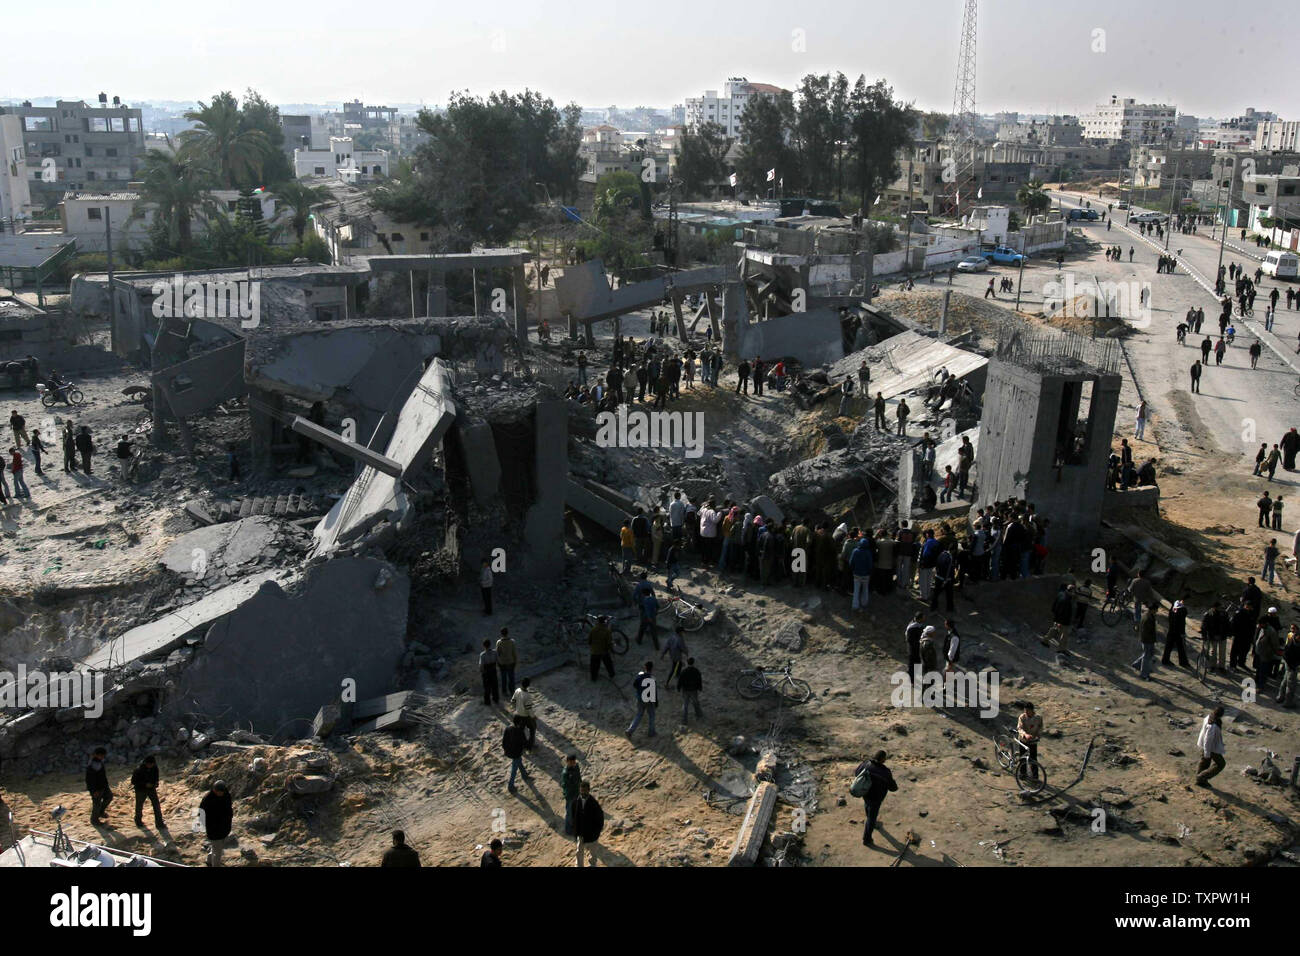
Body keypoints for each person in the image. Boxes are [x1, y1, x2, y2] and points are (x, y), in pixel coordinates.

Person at [853, 750, 898, 846]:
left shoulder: (865, 764)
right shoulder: (885, 771)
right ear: (882, 759)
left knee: (867, 805)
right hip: (876, 797)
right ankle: (867, 839)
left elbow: (856, 772)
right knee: (872, 818)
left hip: (865, 792)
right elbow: (893, 788)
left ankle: (869, 818)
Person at [199, 780, 234, 866]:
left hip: (224, 828)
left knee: (216, 848)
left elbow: (229, 809)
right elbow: (201, 815)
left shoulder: (226, 795)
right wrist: (207, 827)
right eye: (218, 792)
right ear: (214, 790)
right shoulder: (207, 799)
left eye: (221, 792)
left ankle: (209, 860)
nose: (220, 793)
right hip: (213, 830)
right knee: (217, 852)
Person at [572, 781, 605, 867]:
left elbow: (600, 818)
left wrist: (597, 831)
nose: (583, 793)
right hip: (580, 832)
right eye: (581, 791)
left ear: (588, 790)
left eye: (585, 791)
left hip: (592, 833)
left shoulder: (594, 803)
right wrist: (575, 829)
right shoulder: (576, 801)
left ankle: (592, 865)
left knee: (593, 852)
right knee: (579, 851)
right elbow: (573, 816)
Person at [1194, 707, 1226, 787]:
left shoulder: (1209, 717)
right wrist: (1207, 753)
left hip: (1206, 746)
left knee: (1204, 763)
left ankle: (1200, 781)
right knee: (1221, 764)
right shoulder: (1213, 726)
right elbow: (1208, 740)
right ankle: (1201, 777)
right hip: (1211, 748)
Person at [130, 754, 164, 829]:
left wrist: (155, 783)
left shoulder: (154, 768)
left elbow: (156, 778)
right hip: (140, 790)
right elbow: (133, 781)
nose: (150, 766)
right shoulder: (138, 769)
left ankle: (159, 823)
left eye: (151, 764)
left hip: (151, 789)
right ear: (145, 763)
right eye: (149, 764)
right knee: (139, 806)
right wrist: (145, 784)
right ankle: (138, 820)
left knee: (156, 805)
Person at [627, 661, 657, 738]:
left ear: (645, 667)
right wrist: (656, 701)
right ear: (652, 668)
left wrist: (639, 691)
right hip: (649, 700)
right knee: (652, 715)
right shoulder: (652, 678)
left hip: (640, 698)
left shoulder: (640, 676)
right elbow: (654, 692)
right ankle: (651, 732)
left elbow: (634, 685)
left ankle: (630, 730)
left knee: (639, 715)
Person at [1042, 582, 1074, 655]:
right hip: (1063, 620)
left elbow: (1055, 604)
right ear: (1071, 591)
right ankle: (1061, 649)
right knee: (1064, 635)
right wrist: (1062, 621)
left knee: (1054, 629)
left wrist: (1056, 617)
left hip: (1057, 617)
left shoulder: (1061, 594)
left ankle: (1045, 640)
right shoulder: (1067, 600)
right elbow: (1064, 612)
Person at [86, 747, 113, 825]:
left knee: (109, 797)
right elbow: (90, 780)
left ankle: (101, 812)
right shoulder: (92, 765)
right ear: (97, 755)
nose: (103, 757)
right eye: (102, 756)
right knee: (97, 804)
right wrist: (94, 790)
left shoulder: (99, 762)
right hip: (96, 788)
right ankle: (94, 820)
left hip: (103, 786)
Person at [1162, 593, 1190, 667]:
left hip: (1172, 630)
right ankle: (1183, 662)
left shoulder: (1174, 606)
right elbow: (1183, 615)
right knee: (1181, 648)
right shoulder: (1181, 608)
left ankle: (1165, 660)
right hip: (1178, 631)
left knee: (1169, 646)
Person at [502, 720, 529, 793]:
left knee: (518, 762)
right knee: (514, 769)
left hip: (509, 752)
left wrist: (506, 750)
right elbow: (525, 743)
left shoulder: (507, 729)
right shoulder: (520, 731)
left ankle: (525, 775)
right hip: (516, 753)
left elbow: (503, 742)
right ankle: (510, 786)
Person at [510, 678, 537, 750]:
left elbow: (512, 702)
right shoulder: (528, 695)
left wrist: (517, 709)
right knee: (532, 729)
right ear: (528, 685)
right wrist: (533, 716)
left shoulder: (517, 690)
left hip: (518, 714)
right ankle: (529, 745)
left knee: (520, 730)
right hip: (526, 716)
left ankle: (523, 743)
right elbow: (529, 708)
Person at [849, 533, 873, 612]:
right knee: (865, 589)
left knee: (856, 590)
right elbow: (870, 564)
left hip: (856, 574)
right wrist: (869, 572)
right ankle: (864, 603)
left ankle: (855, 605)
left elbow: (851, 562)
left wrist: (853, 569)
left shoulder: (855, 551)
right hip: (866, 574)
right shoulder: (868, 553)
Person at [1017, 703, 1043, 774]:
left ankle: (1035, 777)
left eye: (1028, 711)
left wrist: (1038, 735)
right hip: (1023, 741)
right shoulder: (1022, 717)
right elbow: (1019, 728)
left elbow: (1040, 728)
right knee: (1022, 759)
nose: (1026, 712)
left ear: (1032, 710)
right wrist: (1025, 734)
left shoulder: (1038, 718)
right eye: (1025, 710)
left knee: (1033, 759)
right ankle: (1022, 774)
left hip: (1033, 741)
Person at [588, 615, 615, 681]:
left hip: (595, 652)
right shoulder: (607, 631)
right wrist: (611, 648)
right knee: (608, 664)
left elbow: (589, 641)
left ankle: (593, 678)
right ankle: (612, 674)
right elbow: (609, 643)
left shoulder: (593, 630)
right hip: (604, 651)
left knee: (594, 666)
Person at [561, 755, 582, 836]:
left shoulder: (576, 767)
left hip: (576, 793)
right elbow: (565, 785)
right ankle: (568, 830)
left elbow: (579, 778)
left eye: (574, 762)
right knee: (569, 813)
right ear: (567, 762)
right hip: (570, 795)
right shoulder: (565, 773)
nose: (573, 763)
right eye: (571, 762)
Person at [678, 657, 704, 725]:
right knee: (695, 702)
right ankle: (699, 714)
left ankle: (684, 720)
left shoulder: (684, 671)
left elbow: (680, 680)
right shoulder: (696, 671)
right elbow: (699, 680)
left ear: (687, 662)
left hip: (685, 690)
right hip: (693, 689)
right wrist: (700, 687)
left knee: (685, 705)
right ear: (693, 662)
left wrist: (678, 687)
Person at [661, 625, 688, 689]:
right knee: (673, 670)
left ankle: (677, 674)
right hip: (677, 657)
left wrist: (663, 654)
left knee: (679, 664)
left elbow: (667, 646)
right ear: (680, 632)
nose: (683, 633)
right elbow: (683, 648)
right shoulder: (680, 639)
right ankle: (667, 683)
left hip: (672, 655)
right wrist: (686, 653)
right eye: (682, 632)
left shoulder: (671, 637)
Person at [495, 627, 517, 699]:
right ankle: (512, 691)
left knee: (503, 678)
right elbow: (514, 653)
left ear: (501, 633)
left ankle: (504, 692)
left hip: (502, 663)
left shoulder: (499, 642)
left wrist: (498, 662)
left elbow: (497, 653)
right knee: (511, 678)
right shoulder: (512, 641)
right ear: (507, 633)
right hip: (511, 661)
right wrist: (515, 661)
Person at [479, 639, 500, 705]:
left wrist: (482, 671)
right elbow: (498, 661)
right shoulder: (495, 652)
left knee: (486, 687)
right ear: (490, 644)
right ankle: (496, 699)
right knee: (495, 685)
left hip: (486, 671)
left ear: (484, 646)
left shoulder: (482, 654)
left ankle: (487, 701)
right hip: (493, 670)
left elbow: (481, 665)